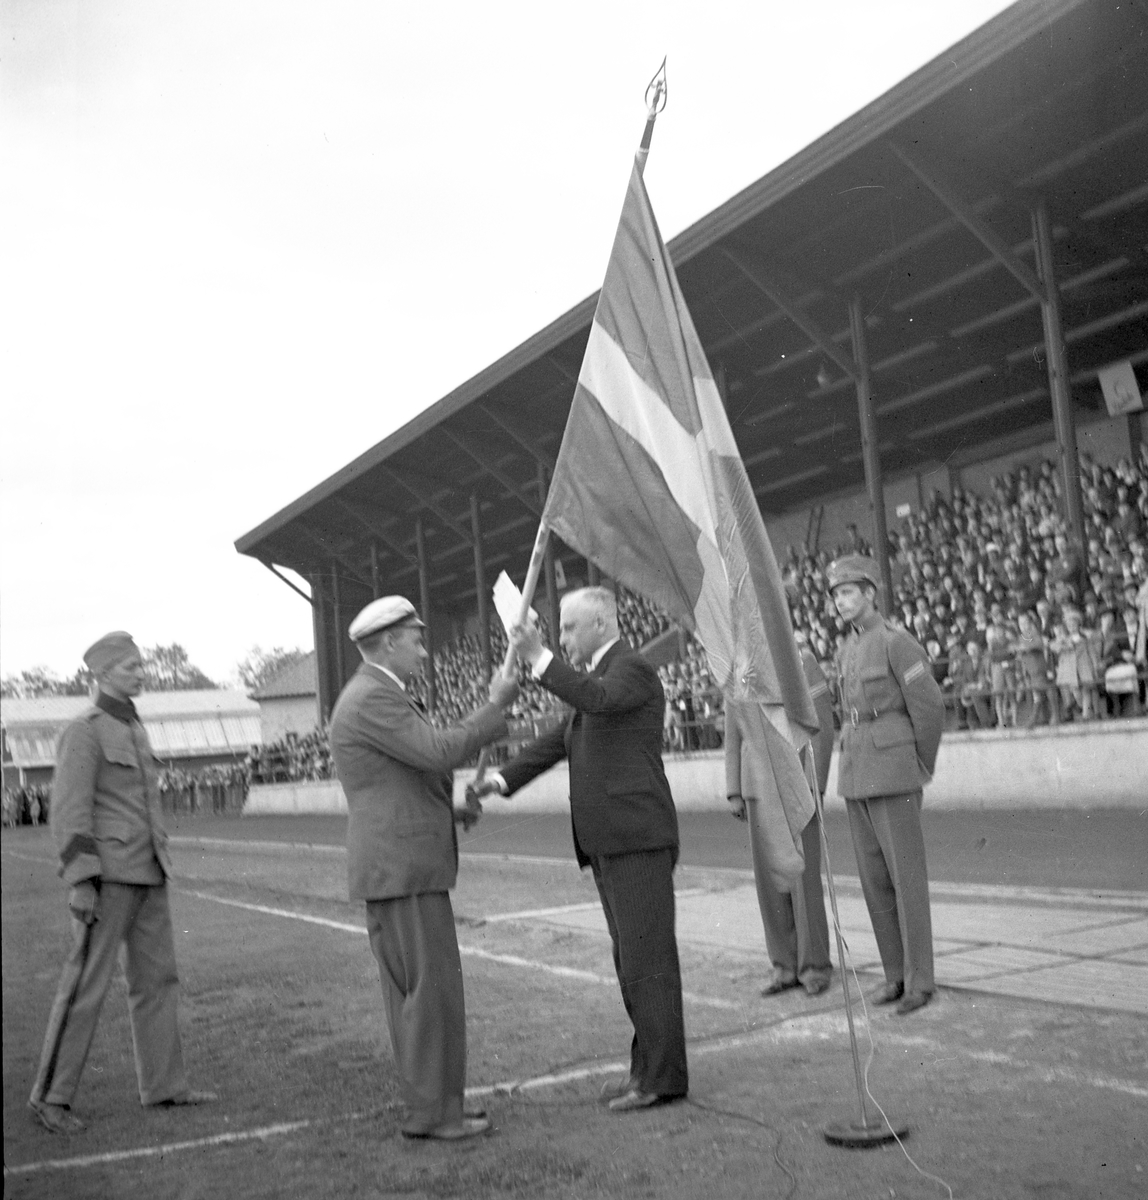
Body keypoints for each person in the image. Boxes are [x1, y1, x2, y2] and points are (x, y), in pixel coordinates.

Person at [472, 586, 688, 1113]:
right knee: (631, 961)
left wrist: (535, 656)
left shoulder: (630, 669)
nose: (562, 636)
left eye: (568, 627)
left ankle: (661, 1078)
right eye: (559, 629)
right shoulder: (595, 678)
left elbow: (598, 702)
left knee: (646, 961)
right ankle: (648, 1069)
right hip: (612, 841)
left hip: (636, 839)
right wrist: (499, 781)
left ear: (600, 623)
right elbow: (555, 742)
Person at [329, 596, 518, 1143]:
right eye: (415, 637)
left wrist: (449, 808)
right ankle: (435, 1114)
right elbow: (437, 752)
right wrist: (494, 708)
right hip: (405, 869)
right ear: (388, 642)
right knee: (429, 994)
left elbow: (400, 779)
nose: (423, 647)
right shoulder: (373, 698)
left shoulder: (375, 695)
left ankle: (434, 1107)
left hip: (398, 864)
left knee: (419, 994)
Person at [29, 632, 216, 1135]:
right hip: (107, 879)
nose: (142, 672)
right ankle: (51, 1097)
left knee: (157, 982)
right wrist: (82, 880)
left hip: (149, 871)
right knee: (85, 988)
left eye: (141, 665)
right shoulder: (84, 730)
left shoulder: (133, 726)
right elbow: (69, 812)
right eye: (132, 666)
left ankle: (164, 1087)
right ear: (104, 673)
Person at [828, 556, 945, 1016]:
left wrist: (920, 765)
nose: (841, 603)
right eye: (836, 596)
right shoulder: (845, 649)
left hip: (894, 770)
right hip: (857, 769)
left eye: (849, 593)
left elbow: (929, 708)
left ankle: (920, 980)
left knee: (906, 880)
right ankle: (894, 974)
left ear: (871, 593)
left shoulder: (898, 643)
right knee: (875, 882)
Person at [725, 636, 835, 998]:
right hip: (757, 783)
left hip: (794, 781)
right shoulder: (738, 667)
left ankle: (814, 966)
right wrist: (734, 788)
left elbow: (822, 723)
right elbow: (733, 729)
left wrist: (814, 783)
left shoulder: (799, 659)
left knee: (803, 880)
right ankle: (783, 966)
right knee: (769, 883)